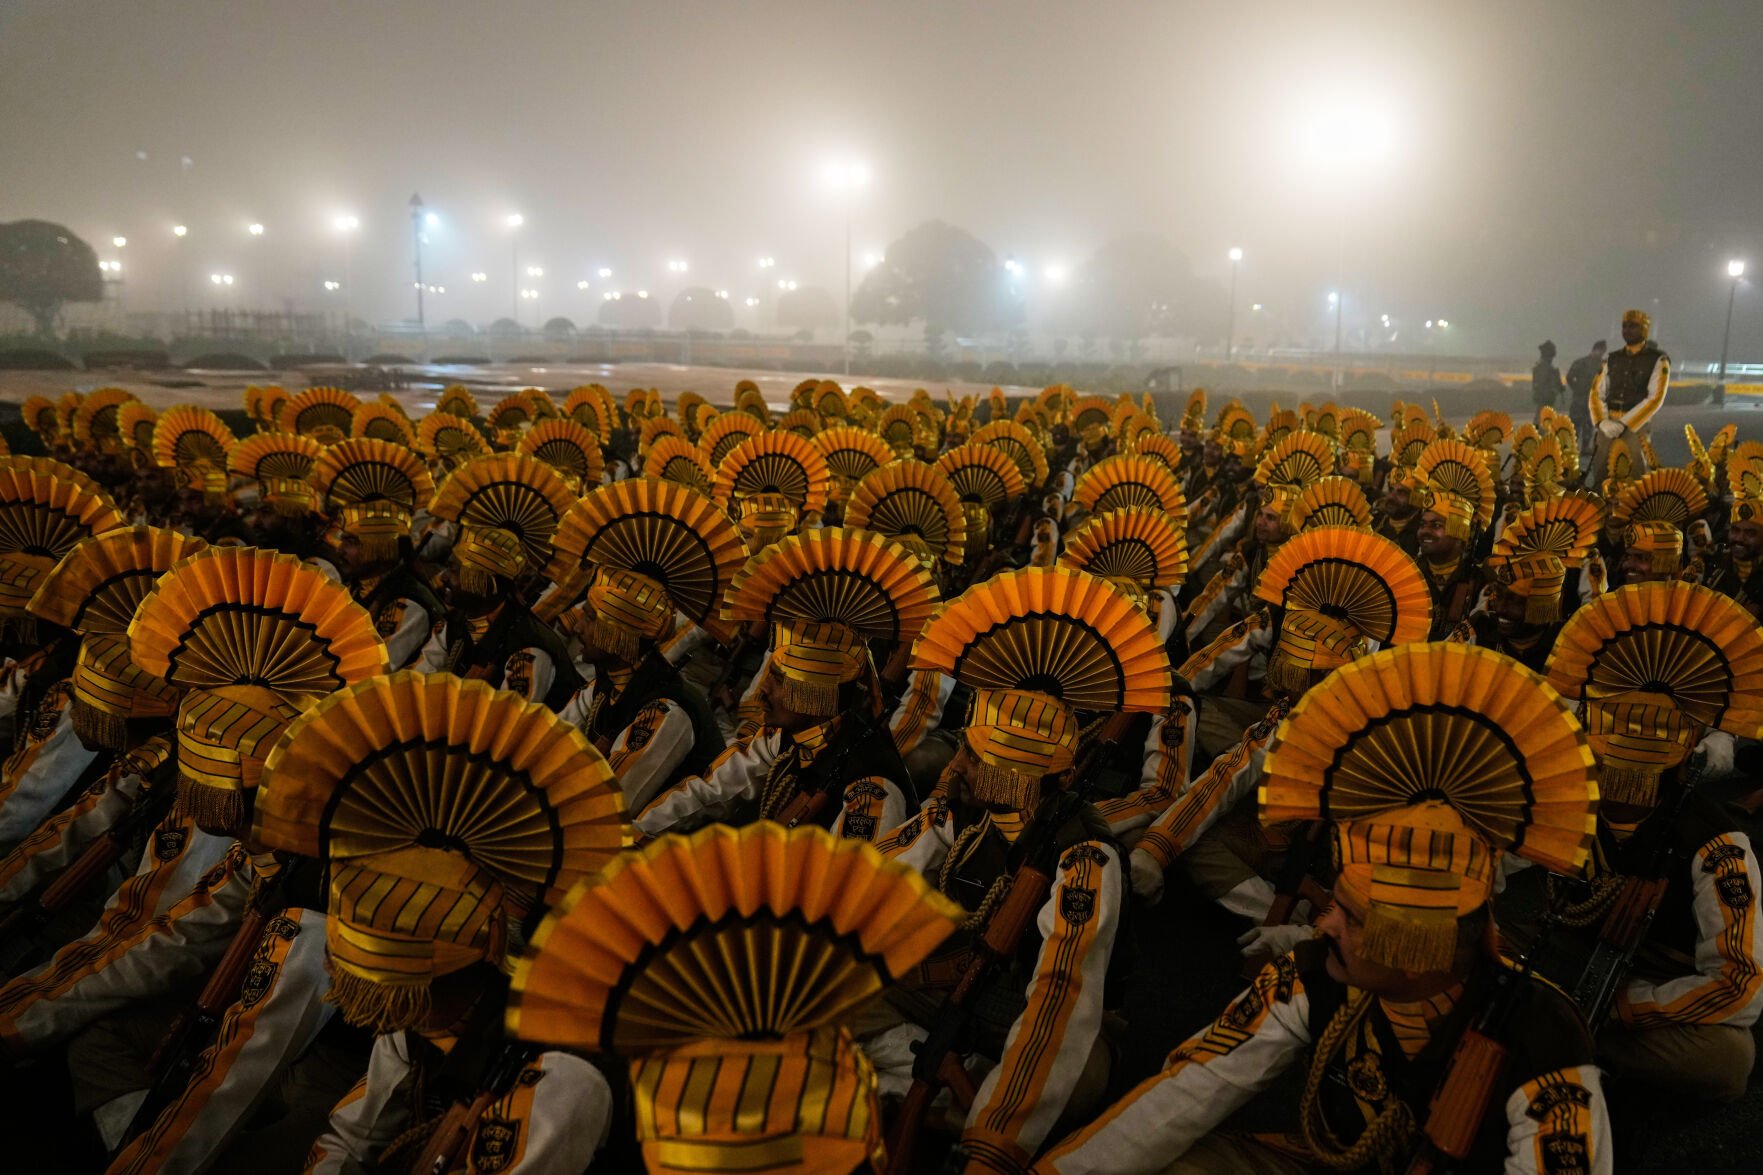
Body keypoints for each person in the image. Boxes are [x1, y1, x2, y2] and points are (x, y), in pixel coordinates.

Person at [1039, 643, 1611, 1174]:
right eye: (1337, 905)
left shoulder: (1542, 1037)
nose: (1325, 924)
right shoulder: (1317, 972)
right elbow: (1188, 1090)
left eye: (1352, 917)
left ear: (1414, 942)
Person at [1539, 580, 1762, 1101]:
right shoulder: (1562, 801)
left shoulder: (1718, 845)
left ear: (1689, 738)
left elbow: (1739, 983)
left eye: (1653, 725)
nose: (1629, 736)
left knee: (1729, 1059)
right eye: (1614, 716)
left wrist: (1627, 1005)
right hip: (1560, 955)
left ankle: (1559, 1035)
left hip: (1652, 985)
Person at [1589, 311, 1669, 480]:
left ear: (1644, 329)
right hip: (1608, 421)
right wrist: (1601, 421)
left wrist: (1625, 423)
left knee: (1635, 473)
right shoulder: (1612, 358)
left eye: (1633, 326)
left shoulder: (1657, 360)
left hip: (1636, 425)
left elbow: (1655, 397)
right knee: (1601, 471)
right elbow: (1596, 392)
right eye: (1624, 326)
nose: (1627, 330)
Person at [1567, 339, 1608, 458]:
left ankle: (1576, 447)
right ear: (1599, 350)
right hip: (1588, 399)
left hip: (1582, 398)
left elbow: (1570, 377)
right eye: (1602, 351)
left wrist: (1576, 388)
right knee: (1582, 423)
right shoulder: (1600, 365)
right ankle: (1580, 447)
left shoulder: (1581, 362)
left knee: (1581, 423)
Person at [1532, 339, 1565, 421]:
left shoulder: (1545, 367)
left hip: (1546, 398)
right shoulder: (1545, 367)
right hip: (1545, 398)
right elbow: (1542, 383)